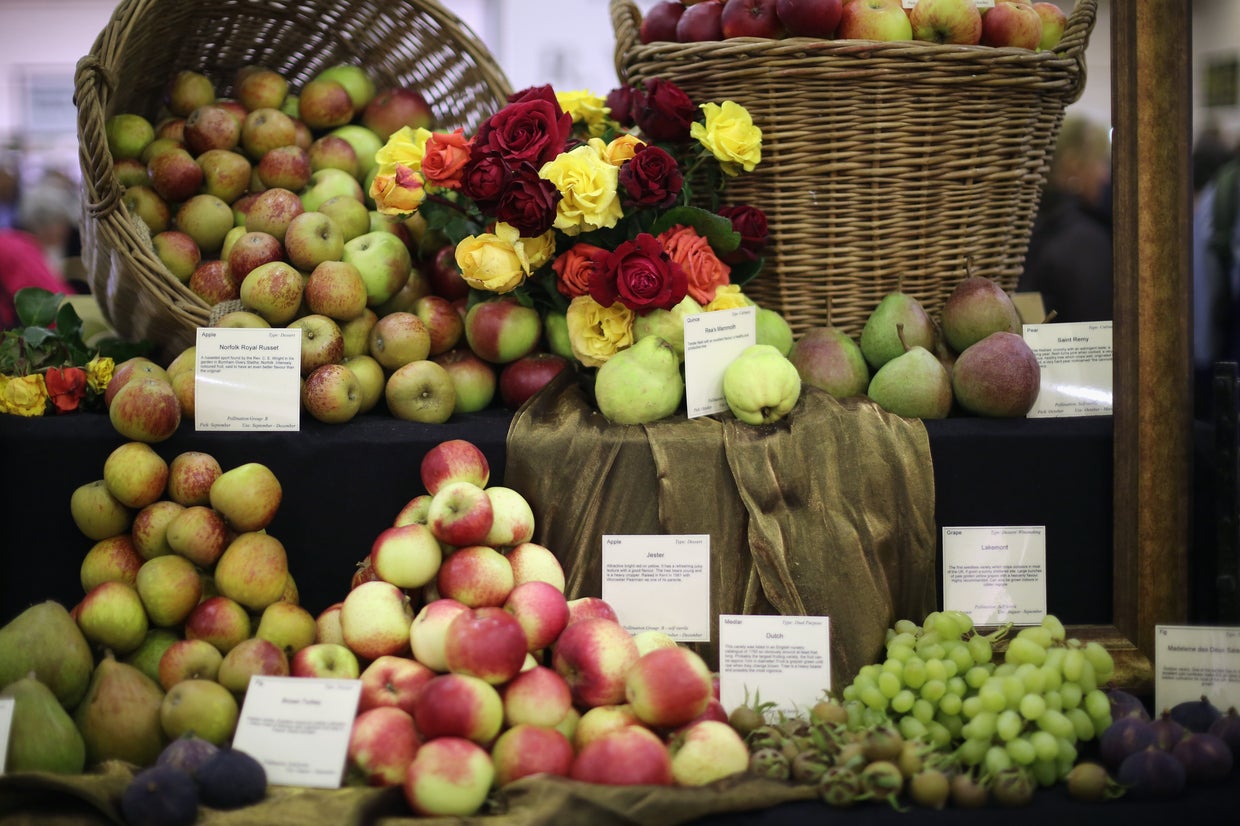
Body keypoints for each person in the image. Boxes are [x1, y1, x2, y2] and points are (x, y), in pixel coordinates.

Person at [1017, 116, 1114, 324]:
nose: (1105, 175)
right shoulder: (1086, 241)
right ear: (1073, 164)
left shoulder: (1024, 224)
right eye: (1100, 161)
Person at [0, 174, 81, 328]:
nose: (52, 232)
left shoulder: (78, 244)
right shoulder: (16, 248)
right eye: (43, 225)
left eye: (57, 223)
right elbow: (56, 307)